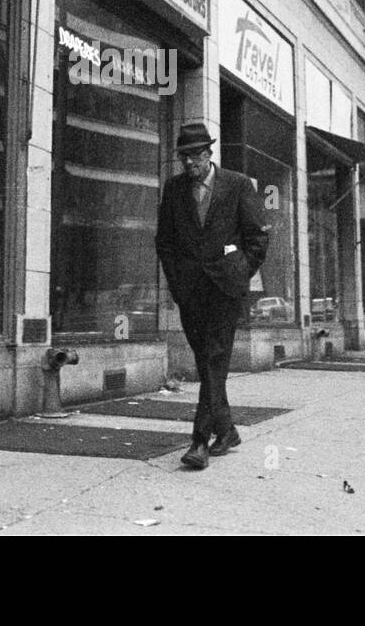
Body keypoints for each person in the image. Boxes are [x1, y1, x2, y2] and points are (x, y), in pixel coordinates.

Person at [156, 122, 269, 471]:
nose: (190, 164)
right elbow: (165, 241)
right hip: (190, 290)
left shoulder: (237, 185)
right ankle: (228, 430)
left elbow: (257, 237)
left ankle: (198, 442)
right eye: (184, 158)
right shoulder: (174, 189)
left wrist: (239, 272)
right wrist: (176, 283)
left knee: (215, 358)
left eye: (195, 156)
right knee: (207, 361)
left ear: (209, 153)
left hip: (225, 289)